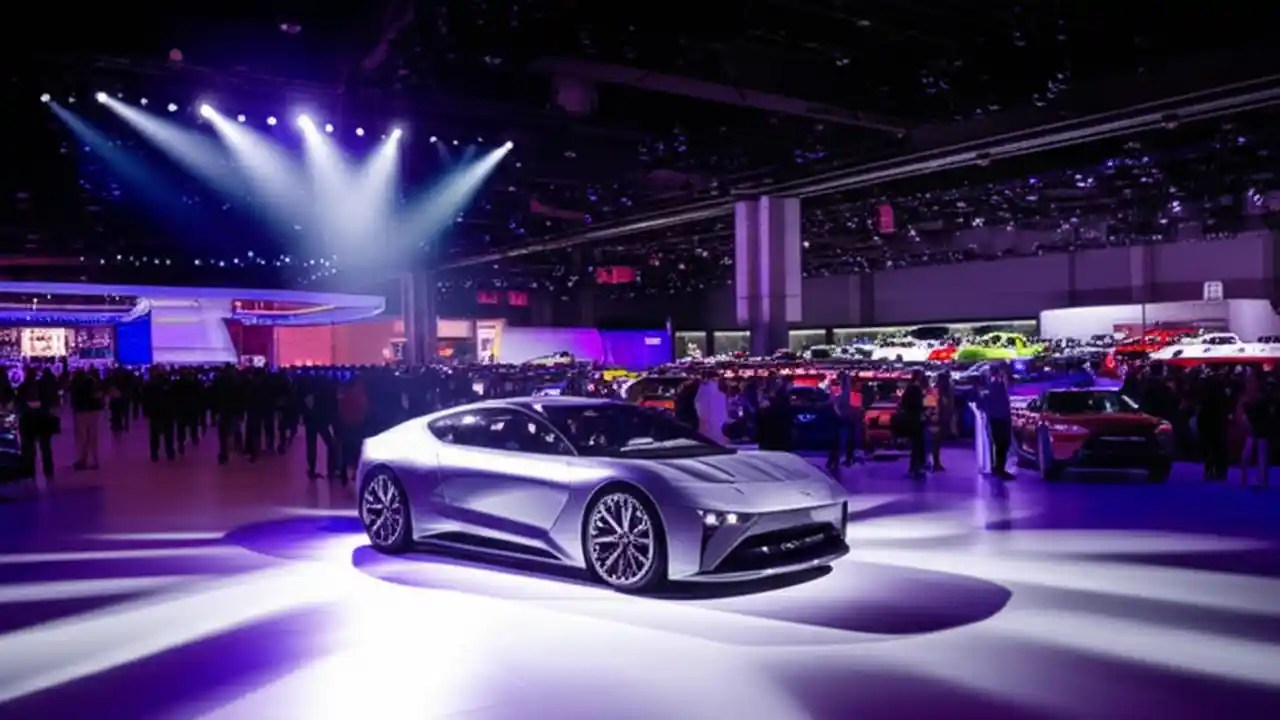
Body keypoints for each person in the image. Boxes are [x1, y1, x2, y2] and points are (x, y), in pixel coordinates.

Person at [17, 367, 57, 482]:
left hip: (27, 421)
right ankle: (48, 471)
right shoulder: (42, 387)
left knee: (28, 449)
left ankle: (30, 472)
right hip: (42, 420)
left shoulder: (22, 388)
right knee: (45, 448)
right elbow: (49, 402)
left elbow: (18, 405)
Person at [981, 365, 1014, 480]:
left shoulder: (998, 385)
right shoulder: (995, 385)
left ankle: (999, 467)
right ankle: (1000, 469)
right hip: (999, 418)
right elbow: (989, 401)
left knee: (1002, 444)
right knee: (1001, 444)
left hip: (1001, 417)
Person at [143, 366, 177, 462]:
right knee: (168, 433)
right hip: (167, 411)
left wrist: (146, 411)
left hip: (156, 411)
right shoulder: (169, 383)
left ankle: (154, 453)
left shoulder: (150, 384)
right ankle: (169, 452)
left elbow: (146, 399)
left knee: (155, 434)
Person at [898, 370, 927, 478]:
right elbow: (918, 405)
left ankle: (914, 467)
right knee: (918, 444)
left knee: (916, 445)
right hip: (916, 419)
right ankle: (917, 467)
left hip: (910, 418)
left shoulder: (909, 388)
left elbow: (903, 403)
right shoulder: (916, 389)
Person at [694, 375, 730, 445]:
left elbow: (699, 408)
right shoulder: (721, 395)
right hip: (717, 424)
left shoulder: (701, 395)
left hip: (710, 424)